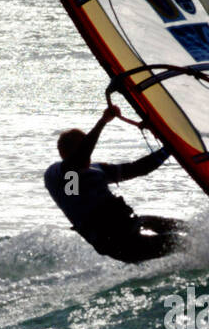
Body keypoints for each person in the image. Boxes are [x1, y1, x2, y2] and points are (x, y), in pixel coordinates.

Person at [44, 105, 185, 263]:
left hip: (129, 224)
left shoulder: (96, 170)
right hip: (115, 242)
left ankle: (208, 243)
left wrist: (169, 148)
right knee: (179, 243)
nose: (89, 153)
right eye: (85, 148)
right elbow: (78, 161)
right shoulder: (58, 175)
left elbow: (137, 169)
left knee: (183, 228)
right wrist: (103, 122)